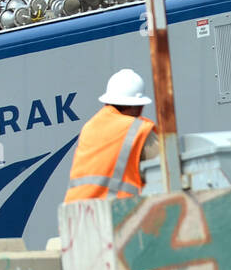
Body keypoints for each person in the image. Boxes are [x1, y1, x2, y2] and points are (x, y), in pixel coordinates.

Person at [64, 68, 161, 202]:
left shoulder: (89, 127)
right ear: (137, 106)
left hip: (74, 215)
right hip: (116, 214)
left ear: (107, 101)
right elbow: (165, 173)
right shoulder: (138, 129)